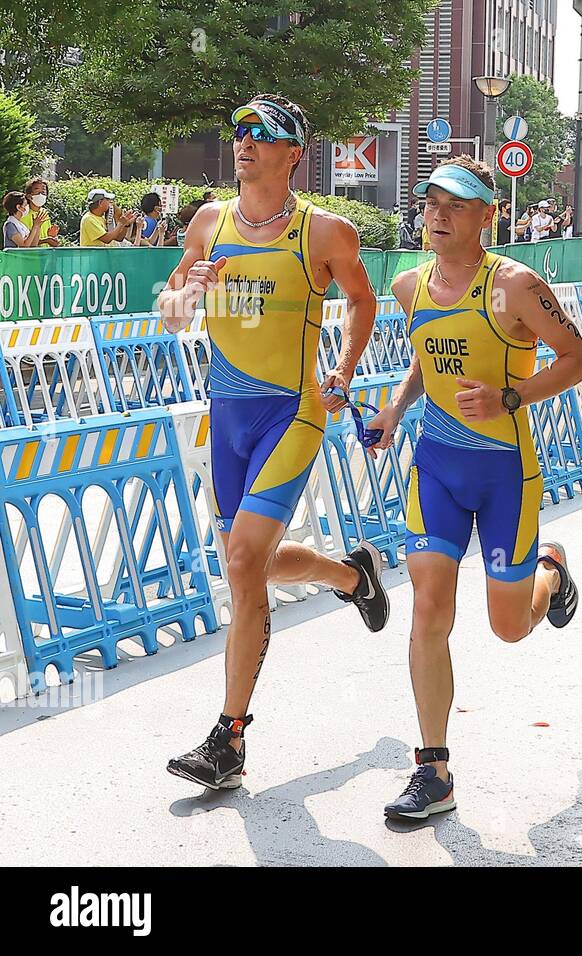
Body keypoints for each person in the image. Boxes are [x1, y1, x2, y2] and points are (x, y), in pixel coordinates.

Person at [158, 93, 390, 791]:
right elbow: (170, 313)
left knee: (242, 556)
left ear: (294, 153)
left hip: (292, 413)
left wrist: (344, 369)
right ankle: (352, 577)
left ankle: (228, 739)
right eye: (239, 133)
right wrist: (186, 294)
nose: (244, 143)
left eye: (262, 135)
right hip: (226, 414)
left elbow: (362, 301)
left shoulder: (325, 232)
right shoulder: (209, 221)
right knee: (245, 564)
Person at [363, 155, 582, 820]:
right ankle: (432, 770)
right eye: (431, 201)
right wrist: (395, 409)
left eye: (455, 204)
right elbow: (425, 354)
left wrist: (510, 397)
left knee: (509, 628)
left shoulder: (516, 285)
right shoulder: (408, 287)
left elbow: (578, 359)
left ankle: (551, 568)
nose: (437, 214)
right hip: (435, 465)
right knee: (429, 609)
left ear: (487, 216)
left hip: (504, 477)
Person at [19, 178, 59, 247]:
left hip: (45, 256)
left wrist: (53, 237)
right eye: (37, 192)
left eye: (43, 193)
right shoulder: (23, 214)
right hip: (31, 256)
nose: (41, 195)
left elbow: (47, 238)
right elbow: (23, 242)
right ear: (29, 196)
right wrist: (46, 240)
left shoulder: (44, 213)